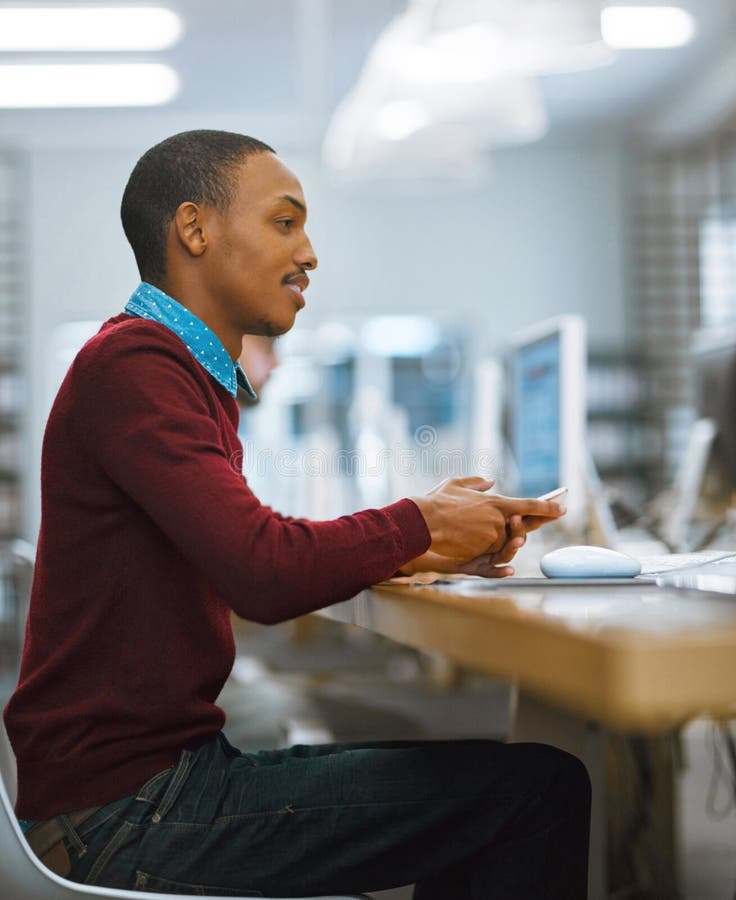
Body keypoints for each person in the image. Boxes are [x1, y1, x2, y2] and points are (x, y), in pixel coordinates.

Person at [3, 130, 591, 899]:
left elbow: (247, 546)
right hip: (129, 813)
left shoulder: (174, 373)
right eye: (286, 222)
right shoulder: (136, 365)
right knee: (531, 792)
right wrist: (419, 522)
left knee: (493, 781)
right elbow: (261, 571)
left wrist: (418, 545)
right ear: (195, 230)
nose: (310, 253)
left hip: (146, 791)